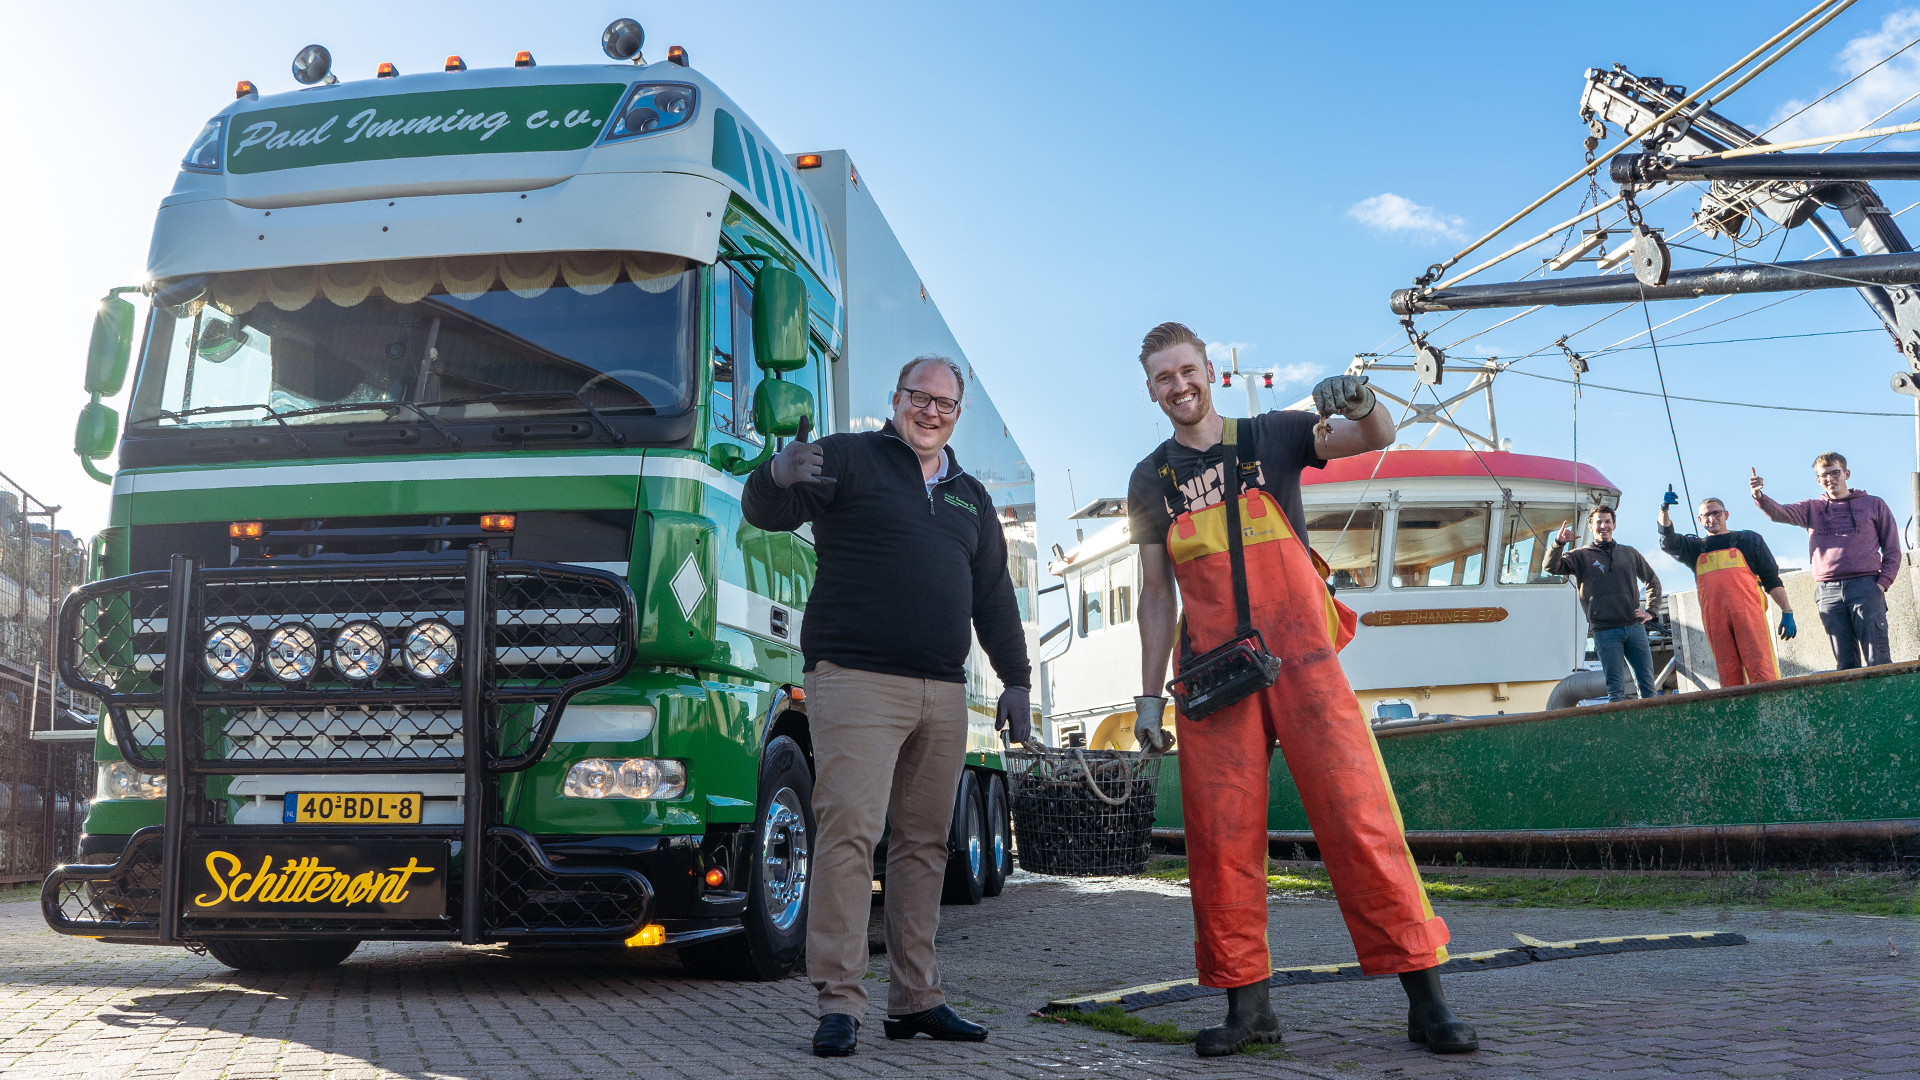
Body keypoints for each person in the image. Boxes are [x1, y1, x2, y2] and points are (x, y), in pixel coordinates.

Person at [1127, 323, 1477, 1058]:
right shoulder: (1149, 478)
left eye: (1187, 369)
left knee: (1361, 821)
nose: (1179, 385)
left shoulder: (1273, 435)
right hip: (1214, 681)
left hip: (1304, 665)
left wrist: (1364, 398)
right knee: (1221, 843)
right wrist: (1149, 696)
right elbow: (1156, 595)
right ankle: (1247, 1010)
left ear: (1208, 373)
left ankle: (1427, 1002)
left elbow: (1371, 435)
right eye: (1163, 378)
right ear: (1151, 389)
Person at [741, 355, 1032, 1058]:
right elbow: (770, 511)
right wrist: (773, 477)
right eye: (919, 397)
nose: (931, 411)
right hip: (857, 680)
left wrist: (1016, 680)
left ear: (957, 414)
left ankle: (916, 998)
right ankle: (839, 1002)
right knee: (848, 834)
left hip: (943, 691)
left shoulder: (969, 497)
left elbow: (993, 595)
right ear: (895, 397)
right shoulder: (849, 458)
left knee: (925, 844)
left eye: (945, 403)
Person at [1751, 454, 1899, 670]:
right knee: (1846, 664)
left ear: (1846, 474)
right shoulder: (1812, 508)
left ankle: (1886, 704)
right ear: (1818, 481)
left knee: (1878, 659)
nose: (1830, 478)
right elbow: (1779, 513)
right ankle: (1855, 704)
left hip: (1866, 586)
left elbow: (1892, 548)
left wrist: (1881, 584)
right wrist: (1759, 495)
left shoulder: (1874, 504)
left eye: (1835, 472)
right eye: (1823, 475)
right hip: (1828, 592)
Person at [1658, 495, 1794, 687]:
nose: (1712, 518)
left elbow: (1771, 579)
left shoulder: (1749, 540)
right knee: (1728, 674)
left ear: (1726, 515)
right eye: (1706, 515)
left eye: (1716, 513)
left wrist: (1787, 611)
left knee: (1762, 669)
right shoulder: (1695, 548)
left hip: (1749, 617)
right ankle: (1737, 714)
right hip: (1716, 622)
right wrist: (1664, 510)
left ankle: (1772, 712)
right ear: (1699, 520)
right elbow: (1668, 542)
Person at [1548, 506, 1662, 701]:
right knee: (1616, 691)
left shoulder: (1629, 553)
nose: (1604, 526)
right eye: (1599, 522)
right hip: (1605, 632)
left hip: (1635, 628)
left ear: (1614, 525)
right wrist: (1558, 544)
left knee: (1648, 689)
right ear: (1591, 526)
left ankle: (1651, 729)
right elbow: (1551, 566)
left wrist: (1651, 611)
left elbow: (1652, 581)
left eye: (1607, 522)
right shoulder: (1580, 556)